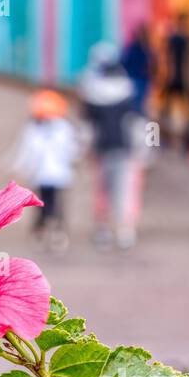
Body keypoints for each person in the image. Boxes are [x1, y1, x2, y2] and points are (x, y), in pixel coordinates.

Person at [79, 43, 142, 249]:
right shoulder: (129, 92)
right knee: (124, 191)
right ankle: (125, 231)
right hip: (124, 149)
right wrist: (147, 149)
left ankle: (103, 231)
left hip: (102, 149)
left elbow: (88, 127)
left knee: (102, 192)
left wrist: (83, 149)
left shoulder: (93, 94)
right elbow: (139, 124)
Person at [12, 90, 80, 251]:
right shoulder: (34, 129)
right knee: (42, 204)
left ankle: (57, 232)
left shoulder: (63, 129)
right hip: (42, 175)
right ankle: (40, 230)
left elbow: (71, 150)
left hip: (57, 175)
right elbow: (27, 151)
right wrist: (21, 167)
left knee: (56, 205)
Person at [161, 10, 189, 150]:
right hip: (180, 77)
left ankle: (183, 138)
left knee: (183, 109)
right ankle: (174, 137)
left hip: (182, 77)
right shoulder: (181, 39)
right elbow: (169, 58)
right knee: (172, 109)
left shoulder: (183, 39)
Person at [121, 24, 156, 115]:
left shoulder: (145, 48)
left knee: (139, 101)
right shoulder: (134, 49)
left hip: (141, 78)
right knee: (136, 101)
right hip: (135, 78)